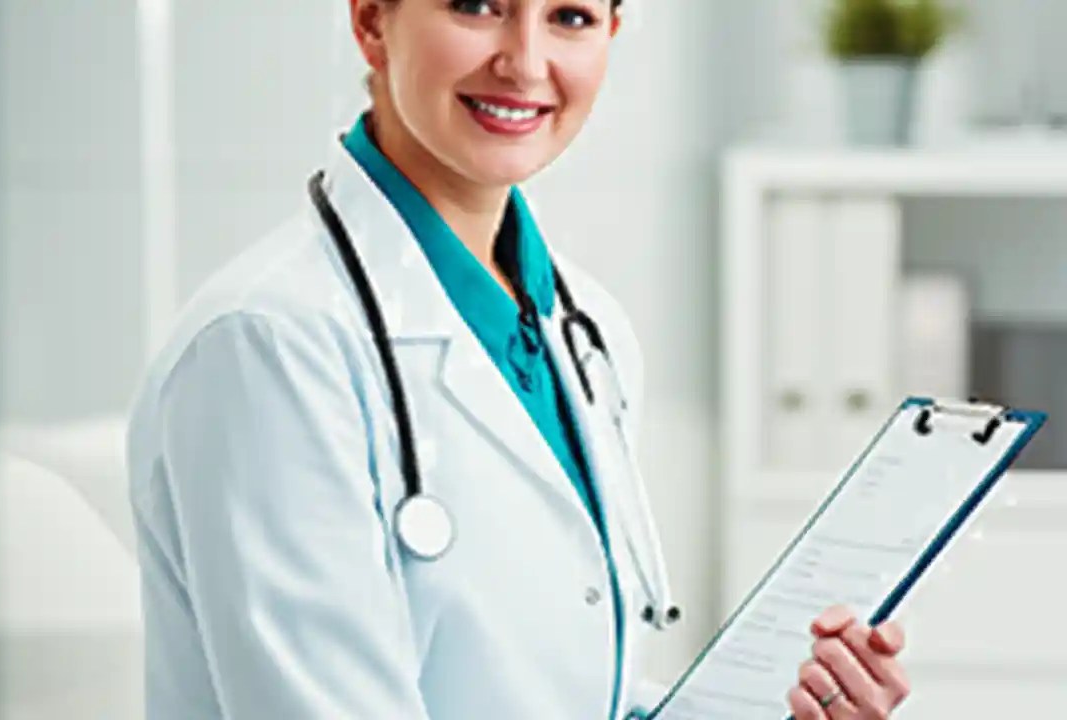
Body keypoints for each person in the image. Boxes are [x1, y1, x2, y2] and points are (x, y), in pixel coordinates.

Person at [125, 1, 913, 718]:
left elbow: (562, 691)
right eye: (477, 6)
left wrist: (784, 711)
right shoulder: (269, 345)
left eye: (568, 16)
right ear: (370, 21)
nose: (526, 62)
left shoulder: (587, 326)